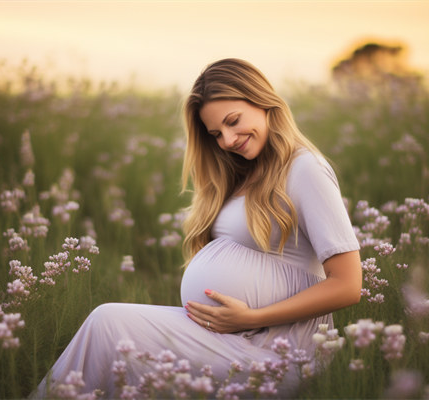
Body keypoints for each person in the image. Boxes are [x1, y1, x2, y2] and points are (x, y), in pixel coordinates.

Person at [32, 58, 362, 399]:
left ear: (263, 101)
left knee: (110, 328)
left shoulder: (305, 168)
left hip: (278, 351)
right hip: (235, 337)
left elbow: (348, 284)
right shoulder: (242, 174)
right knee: (107, 323)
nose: (229, 140)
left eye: (233, 122)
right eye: (216, 134)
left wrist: (251, 318)